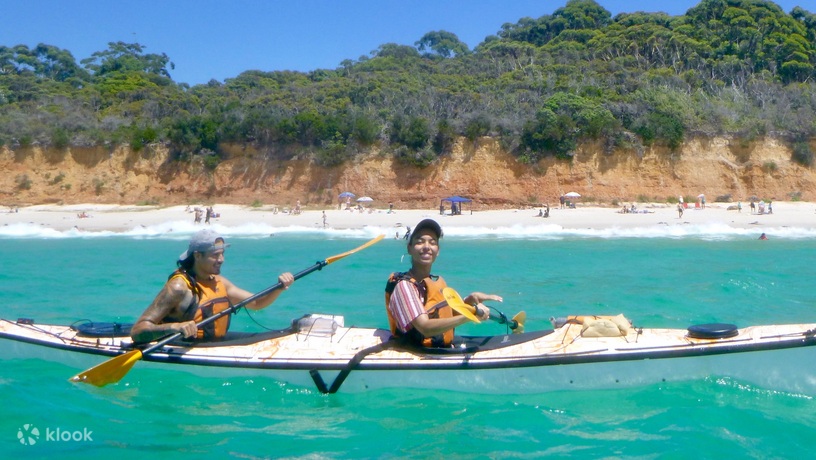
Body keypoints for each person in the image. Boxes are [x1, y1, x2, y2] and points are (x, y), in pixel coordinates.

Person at [130, 229, 295, 343]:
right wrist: (175, 327)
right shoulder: (179, 287)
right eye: (215, 255)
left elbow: (257, 303)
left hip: (213, 344)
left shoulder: (219, 282)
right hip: (183, 347)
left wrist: (279, 287)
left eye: (222, 254)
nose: (221, 259)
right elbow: (138, 331)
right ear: (197, 255)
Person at [385, 219, 501, 347]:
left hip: (437, 347)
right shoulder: (404, 287)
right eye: (420, 242)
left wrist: (468, 301)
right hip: (418, 351)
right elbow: (425, 328)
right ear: (409, 248)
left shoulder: (434, 282)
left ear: (438, 250)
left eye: (432, 242)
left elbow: (444, 315)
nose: (427, 247)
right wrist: (471, 314)